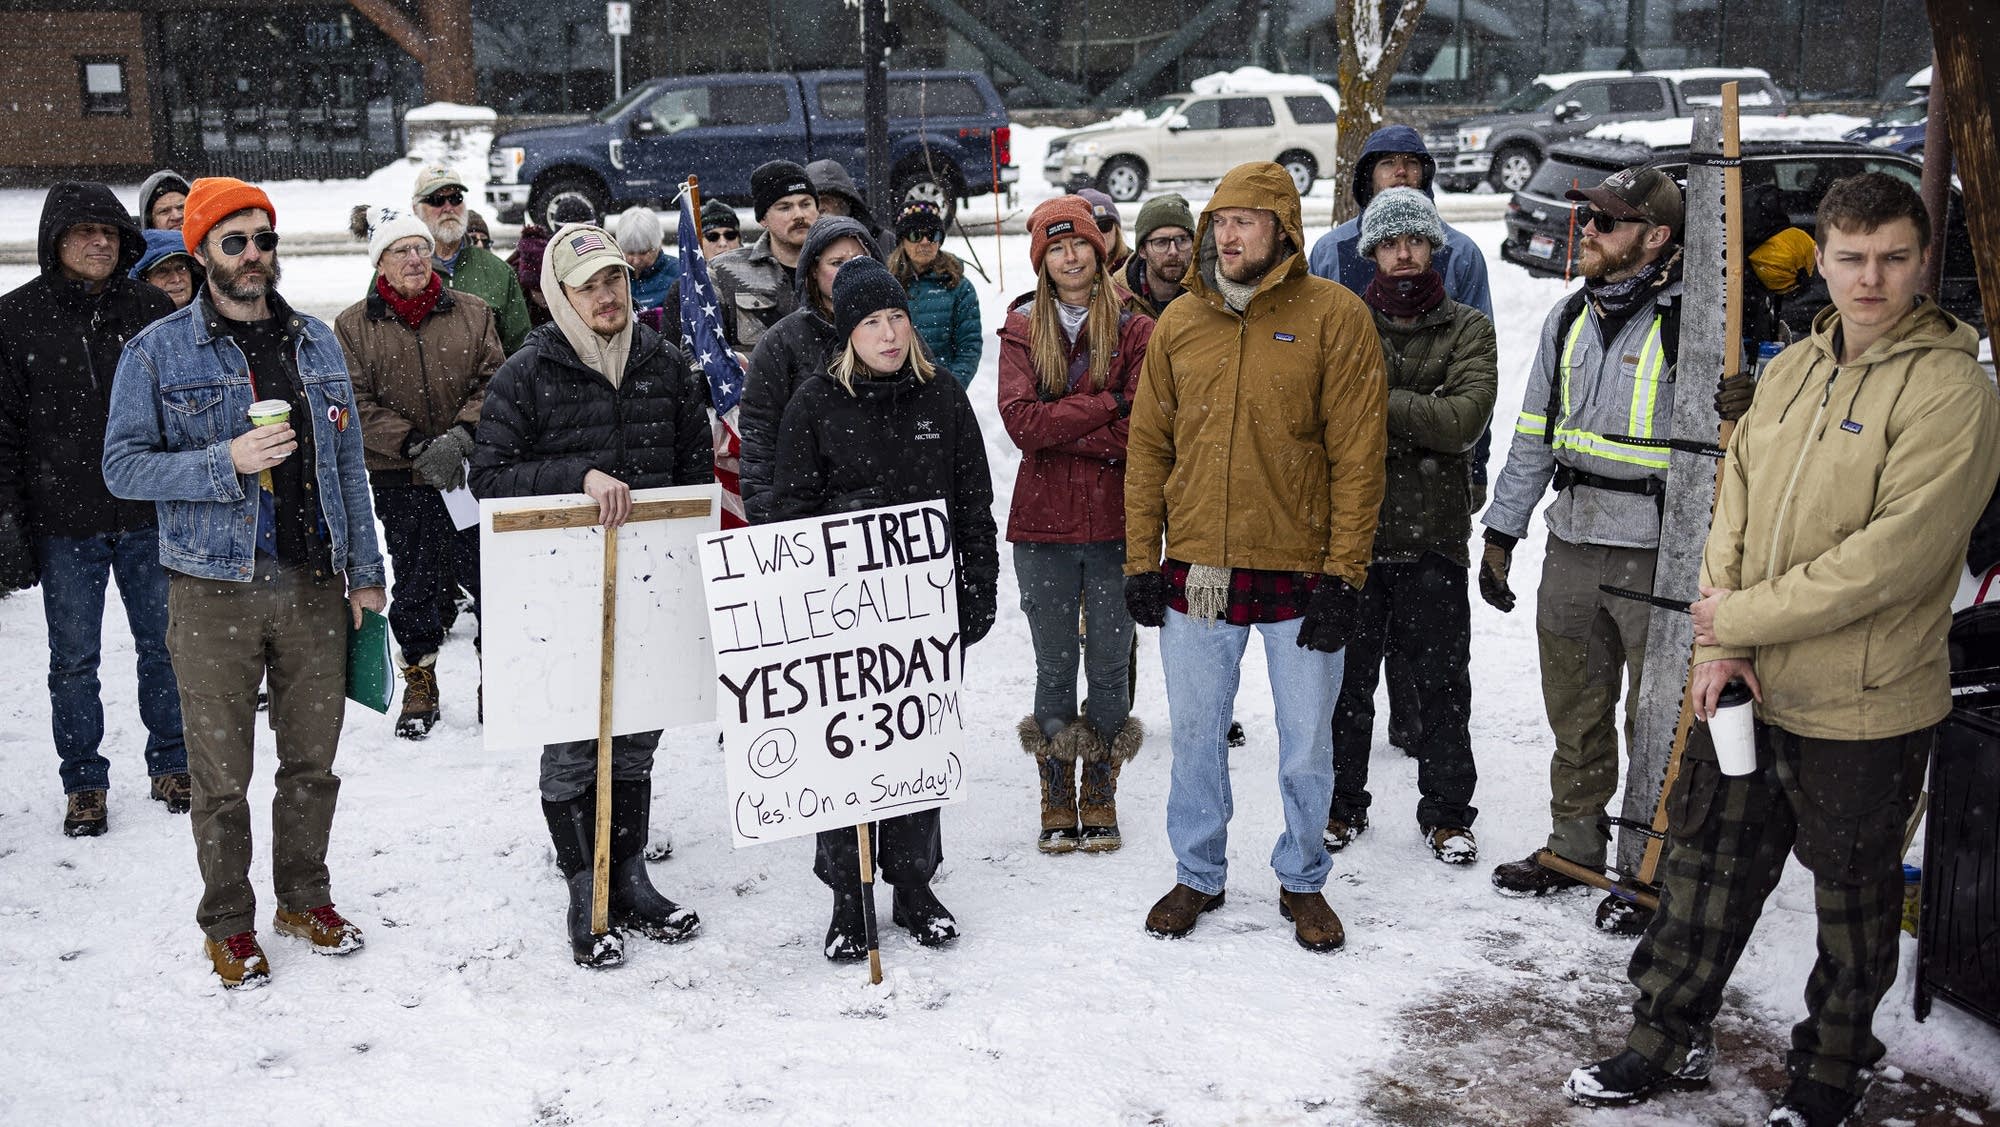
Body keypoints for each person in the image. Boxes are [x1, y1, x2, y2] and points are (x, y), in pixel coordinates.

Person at [1564, 172, 2000, 1127]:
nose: (1870, 280)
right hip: (1749, 685)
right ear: (1824, 257)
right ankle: (1661, 1034)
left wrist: (1740, 619)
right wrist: (1720, 640)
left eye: (1892, 258)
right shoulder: (1796, 368)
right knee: (1702, 874)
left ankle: (1832, 1070)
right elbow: (1739, 501)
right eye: (1851, 258)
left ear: (1923, 259)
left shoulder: (1951, 392)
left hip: (1866, 699)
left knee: (1852, 901)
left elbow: (1892, 558)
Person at [102, 177, 387, 988]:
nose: (255, 255)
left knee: (311, 762)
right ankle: (228, 920)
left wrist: (364, 574)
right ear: (201, 254)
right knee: (221, 776)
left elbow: (345, 466)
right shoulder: (156, 351)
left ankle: (304, 896)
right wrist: (223, 460)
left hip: (311, 586)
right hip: (210, 588)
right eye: (236, 242)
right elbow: (121, 466)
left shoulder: (317, 344)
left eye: (264, 239)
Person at [1124, 161, 1386, 953]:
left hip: (1302, 573)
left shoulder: (1334, 317)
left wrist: (1345, 574)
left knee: (1308, 741)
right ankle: (1197, 871)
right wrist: (1142, 557)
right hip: (1199, 571)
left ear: (1283, 229)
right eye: (1219, 221)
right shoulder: (1180, 323)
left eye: (1243, 220)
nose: (1226, 234)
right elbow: (1148, 450)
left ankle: (1303, 877)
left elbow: (1359, 456)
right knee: (1198, 731)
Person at [470, 223, 711, 969]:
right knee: (574, 739)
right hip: (560, 587)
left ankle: (630, 873)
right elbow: (490, 476)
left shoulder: (666, 365)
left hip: (648, 578)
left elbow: (694, 473)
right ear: (559, 296)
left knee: (637, 730)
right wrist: (578, 477)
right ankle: (586, 884)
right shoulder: (527, 373)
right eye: (589, 285)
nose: (607, 296)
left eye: (615, 280)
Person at [769, 255, 998, 961]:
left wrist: (977, 585)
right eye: (872, 321)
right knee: (845, 752)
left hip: (922, 613)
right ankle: (848, 892)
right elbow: (790, 510)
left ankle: (913, 882)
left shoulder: (941, 396)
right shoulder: (814, 402)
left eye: (897, 316)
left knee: (914, 744)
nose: (890, 332)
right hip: (843, 612)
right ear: (848, 332)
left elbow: (972, 502)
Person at [1478, 165, 1685, 927]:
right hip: (1573, 540)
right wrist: (1502, 531)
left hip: (1658, 552)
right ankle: (1574, 844)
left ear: (1655, 238)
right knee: (1576, 705)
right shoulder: (1568, 316)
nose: (1587, 232)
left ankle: (1652, 867)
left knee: (1657, 721)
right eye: (1588, 219)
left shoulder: (1691, 321)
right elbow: (1531, 433)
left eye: (1608, 222)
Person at [0, 182, 187, 837]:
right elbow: (4, 430)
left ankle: (173, 761)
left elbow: (181, 409)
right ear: (56, 241)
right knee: (73, 661)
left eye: (109, 231)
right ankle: (84, 781)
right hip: (63, 521)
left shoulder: (151, 309)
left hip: (145, 512)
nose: (101, 241)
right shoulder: (14, 318)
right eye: (85, 231)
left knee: (162, 648)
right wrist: (10, 521)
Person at [1309, 123, 1496, 767]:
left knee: (1437, 669)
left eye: (1411, 165)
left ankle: (1428, 762)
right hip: (1355, 505)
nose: (1399, 174)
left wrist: (1471, 459)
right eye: (1385, 165)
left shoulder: (1462, 258)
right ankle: (1343, 795)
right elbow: (1319, 388)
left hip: (1433, 501)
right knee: (1350, 667)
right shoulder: (1331, 255)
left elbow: (1470, 396)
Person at [1000, 196, 1152, 854]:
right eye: (1056, 246)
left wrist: (1068, 420)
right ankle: (1058, 783)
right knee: (1056, 665)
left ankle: (1102, 786)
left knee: (1111, 667)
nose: (1069, 255)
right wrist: (1106, 402)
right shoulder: (1020, 327)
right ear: (1042, 258)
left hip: (1118, 520)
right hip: (1043, 525)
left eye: (1080, 243)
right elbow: (1021, 424)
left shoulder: (1137, 328)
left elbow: (1142, 427)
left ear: (1099, 250)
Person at [335, 207, 503, 738]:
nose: (414, 258)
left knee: (487, 578)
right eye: (400, 250)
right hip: (399, 478)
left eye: (421, 248)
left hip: (468, 475)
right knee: (415, 581)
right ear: (379, 263)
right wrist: (412, 444)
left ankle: (496, 678)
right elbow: (352, 402)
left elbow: (495, 380)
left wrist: (461, 437)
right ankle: (420, 677)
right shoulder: (353, 327)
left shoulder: (473, 312)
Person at [738, 216, 882, 523]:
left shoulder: (899, 335)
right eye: (837, 262)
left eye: (859, 259)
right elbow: (759, 444)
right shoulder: (781, 343)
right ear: (813, 272)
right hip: (810, 520)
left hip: (893, 518)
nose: (850, 269)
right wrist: (769, 524)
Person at [408, 164, 531, 353]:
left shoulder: (497, 271)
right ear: (416, 209)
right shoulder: (399, 268)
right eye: (436, 200)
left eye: (455, 198)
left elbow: (520, 352)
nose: (448, 208)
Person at [711, 160, 819, 350]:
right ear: (763, 219)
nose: (799, 215)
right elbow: (702, 349)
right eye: (785, 207)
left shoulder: (842, 264)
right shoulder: (723, 272)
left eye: (806, 204)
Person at [888, 200, 982, 388]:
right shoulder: (887, 285)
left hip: (942, 390)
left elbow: (969, 349)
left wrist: (950, 390)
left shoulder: (959, 287)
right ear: (902, 241)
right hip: (894, 393)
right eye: (916, 235)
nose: (925, 242)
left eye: (933, 235)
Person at [1122, 193, 1194, 318]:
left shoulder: (1210, 295)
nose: (1173, 251)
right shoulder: (1117, 299)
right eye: (1161, 242)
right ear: (1142, 250)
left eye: (1182, 240)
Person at [614, 205, 680, 316]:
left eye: (643, 252)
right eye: (629, 253)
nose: (636, 260)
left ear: (658, 245)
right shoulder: (613, 275)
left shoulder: (679, 274)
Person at [805, 158, 886, 238]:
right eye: (807, 204)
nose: (819, 208)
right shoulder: (796, 243)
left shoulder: (883, 240)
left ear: (843, 204)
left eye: (825, 200)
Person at [131, 227, 204, 310]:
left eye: (181, 268)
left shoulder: (215, 315)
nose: (176, 279)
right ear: (143, 280)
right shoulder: (131, 320)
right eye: (162, 271)